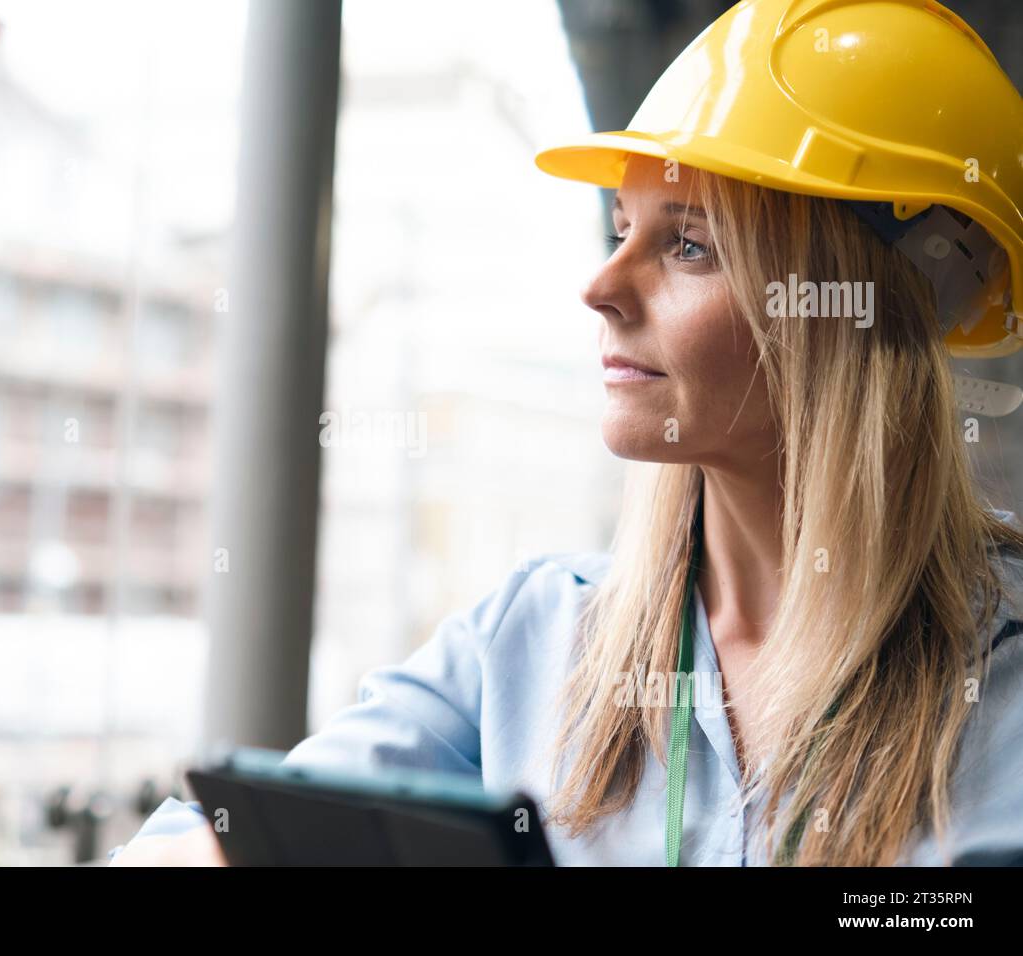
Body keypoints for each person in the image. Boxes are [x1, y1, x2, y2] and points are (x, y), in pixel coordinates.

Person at [111, 0, 1023, 866]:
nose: (601, 285)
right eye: (622, 229)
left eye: (689, 245)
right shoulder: (535, 637)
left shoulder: (1003, 676)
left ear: (854, 309)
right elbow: (201, 838)